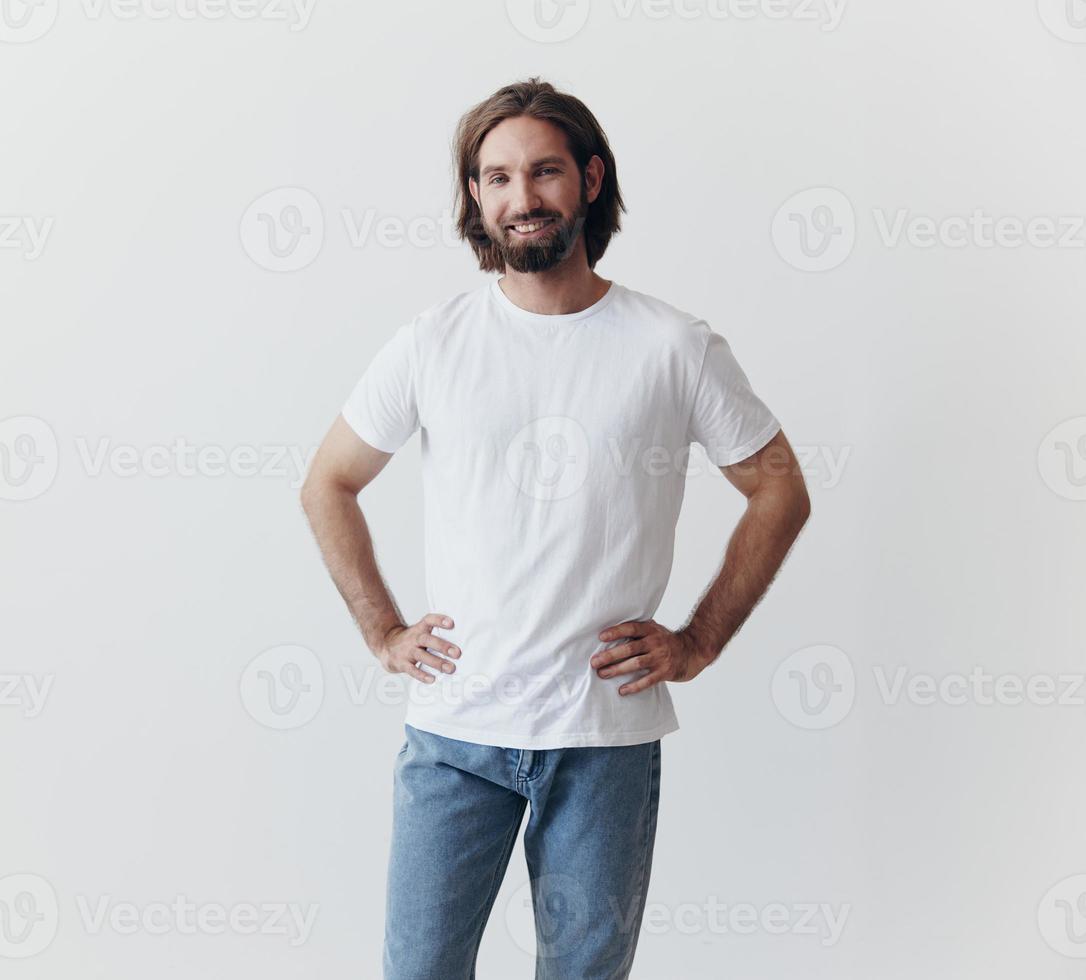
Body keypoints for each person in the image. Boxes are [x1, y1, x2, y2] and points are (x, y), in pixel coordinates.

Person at [298, 76, 812, 980]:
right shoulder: (432, 343)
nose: (521, 197)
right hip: (455, 732)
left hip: (603, 735)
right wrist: (383, 629)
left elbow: (780, 490)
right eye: (497, 177)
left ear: (589, 179)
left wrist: (698, 640)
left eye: (543, 171)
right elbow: (328, 484)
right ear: (474, 196)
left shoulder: (671, 345)